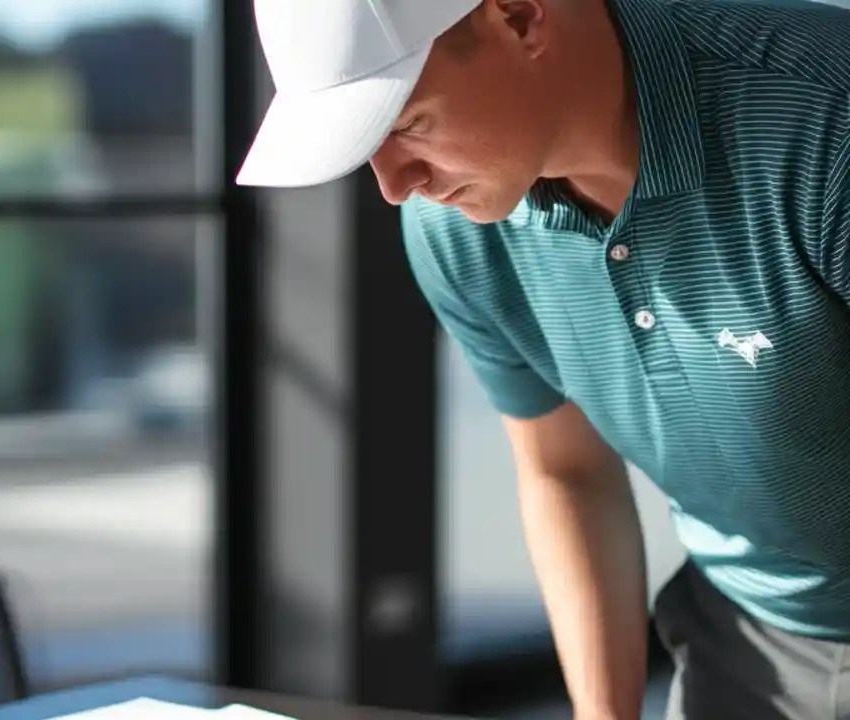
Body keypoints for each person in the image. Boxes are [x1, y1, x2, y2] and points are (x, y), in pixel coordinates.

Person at [237, 0, 850, 718]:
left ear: (521, 17)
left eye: (405, 123)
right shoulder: (458, 230)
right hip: (750, 635)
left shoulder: (825, 121)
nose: (397, 186)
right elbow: (568, 473)